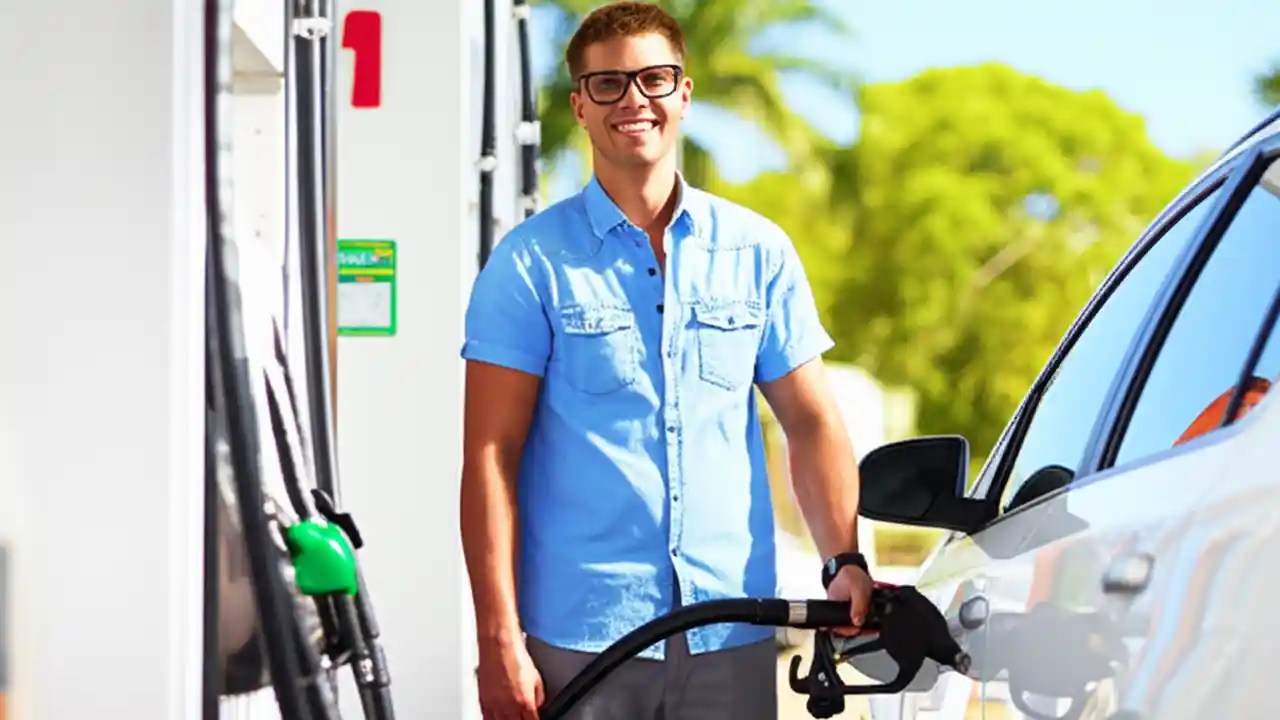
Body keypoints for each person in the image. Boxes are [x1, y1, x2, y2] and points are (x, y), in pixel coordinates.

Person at [459, 2, 872, 718]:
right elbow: (491, 457)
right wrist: (498, 638)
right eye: (609, 84)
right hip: (581, 640)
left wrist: (844, 558)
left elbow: (810, 423)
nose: (634, 101)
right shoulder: (529, 265)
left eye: (654, 79)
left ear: (684, 94)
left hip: (730, 632)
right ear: (580, 107)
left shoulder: (758, 253)